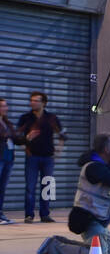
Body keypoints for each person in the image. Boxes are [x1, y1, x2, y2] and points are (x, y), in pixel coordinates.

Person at [61, 133, 110, 254]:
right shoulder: (93, 167)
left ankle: (77, 246)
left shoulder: (106, 166)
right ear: (106, 149)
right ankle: (54, 247)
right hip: (88, 217)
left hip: (100, 217)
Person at [16, 91, 66, 223]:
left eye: (36, 100)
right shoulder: (25, 118)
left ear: (43, 103)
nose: (32, 103)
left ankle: (45, 214)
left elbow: (62, 135)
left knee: (47, 186)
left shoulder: (51, 118)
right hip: (32, 157)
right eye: (31, 100)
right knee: (30, 187)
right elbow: (16, 137)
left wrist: (58, 152)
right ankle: (29, 215)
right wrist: (25, 144)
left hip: (48, 158)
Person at [0, 99, 17, 224]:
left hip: (8, 158)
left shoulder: (6, 122)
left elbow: (14, 138)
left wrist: (27, 138)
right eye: (2, 106)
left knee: (2, 188)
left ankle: (0, 214)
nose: (5, 108)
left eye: (5, 106)